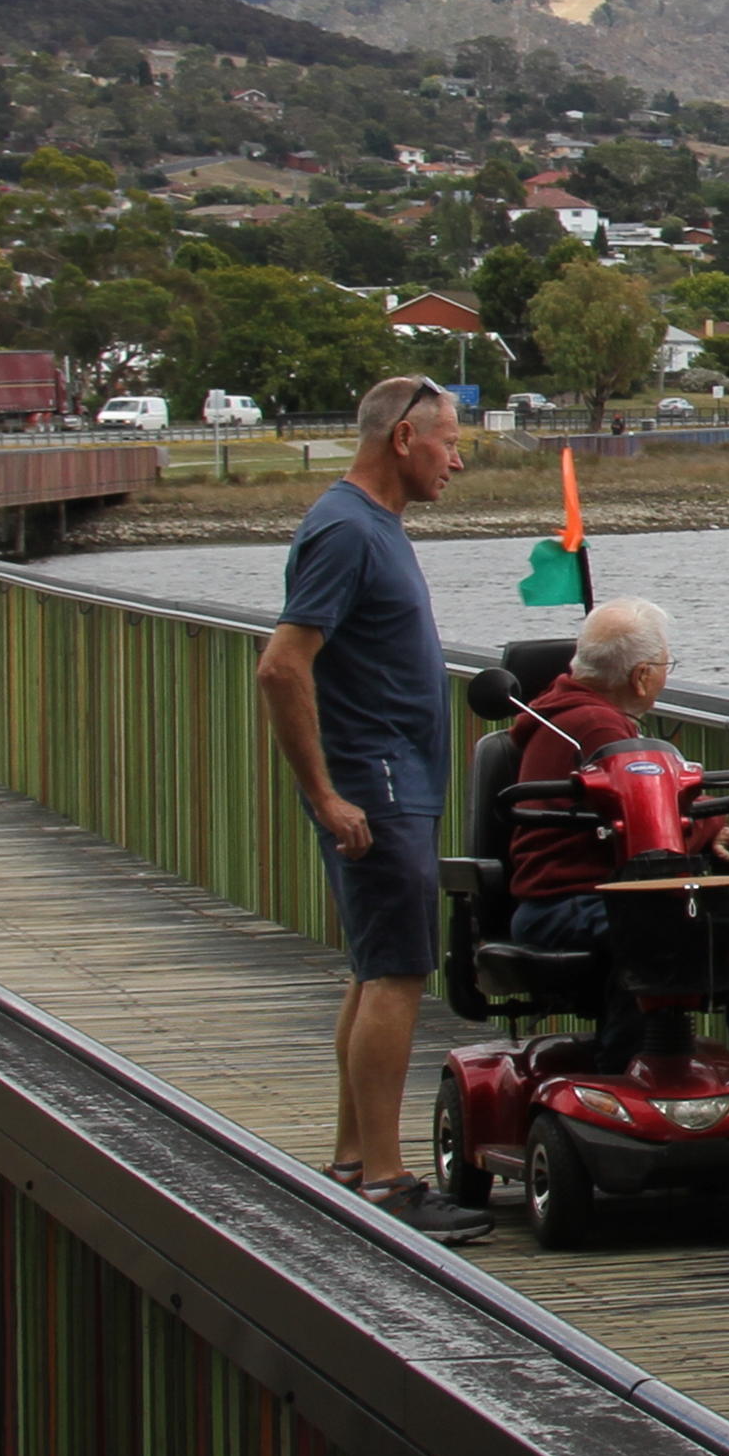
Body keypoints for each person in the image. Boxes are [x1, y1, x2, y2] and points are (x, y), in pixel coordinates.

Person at [252, 374, 489, 1236]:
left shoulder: (369, 525)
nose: (456, 460)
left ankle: (353, 1163)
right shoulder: (347, 529)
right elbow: (282, 664)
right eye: (449, 441)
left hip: (393, 783)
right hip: (375, 786)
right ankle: (390, 1183)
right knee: (396, 974)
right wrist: (326, 792)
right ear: (403, 438)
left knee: (371, 967)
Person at [507, 595, 729, 1070]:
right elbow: (655, 830)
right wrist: (711, 829)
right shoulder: (598, 727)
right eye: (664, 664)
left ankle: (636, 1065)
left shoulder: (567, 717)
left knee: (660, 926)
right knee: (728, 929)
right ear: (641, 676)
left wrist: (704, 826)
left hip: (555, 905)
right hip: (569, 903)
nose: (665, 674)